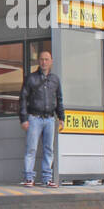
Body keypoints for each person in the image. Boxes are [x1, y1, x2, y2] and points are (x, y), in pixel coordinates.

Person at [19, 49, 64, 187]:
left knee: (48, 149)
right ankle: (28, 178)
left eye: (46, 59)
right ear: (38, 61)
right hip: (34, 117)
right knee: (31, 149)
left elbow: (59, 99)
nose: (44, 62)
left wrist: (61, 117)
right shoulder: (31, 78)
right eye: (42, 59)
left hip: (50, 119)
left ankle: (47, 178)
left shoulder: (55, 79)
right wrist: (24, 119)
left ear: (51, 62)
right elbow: (22, 99)